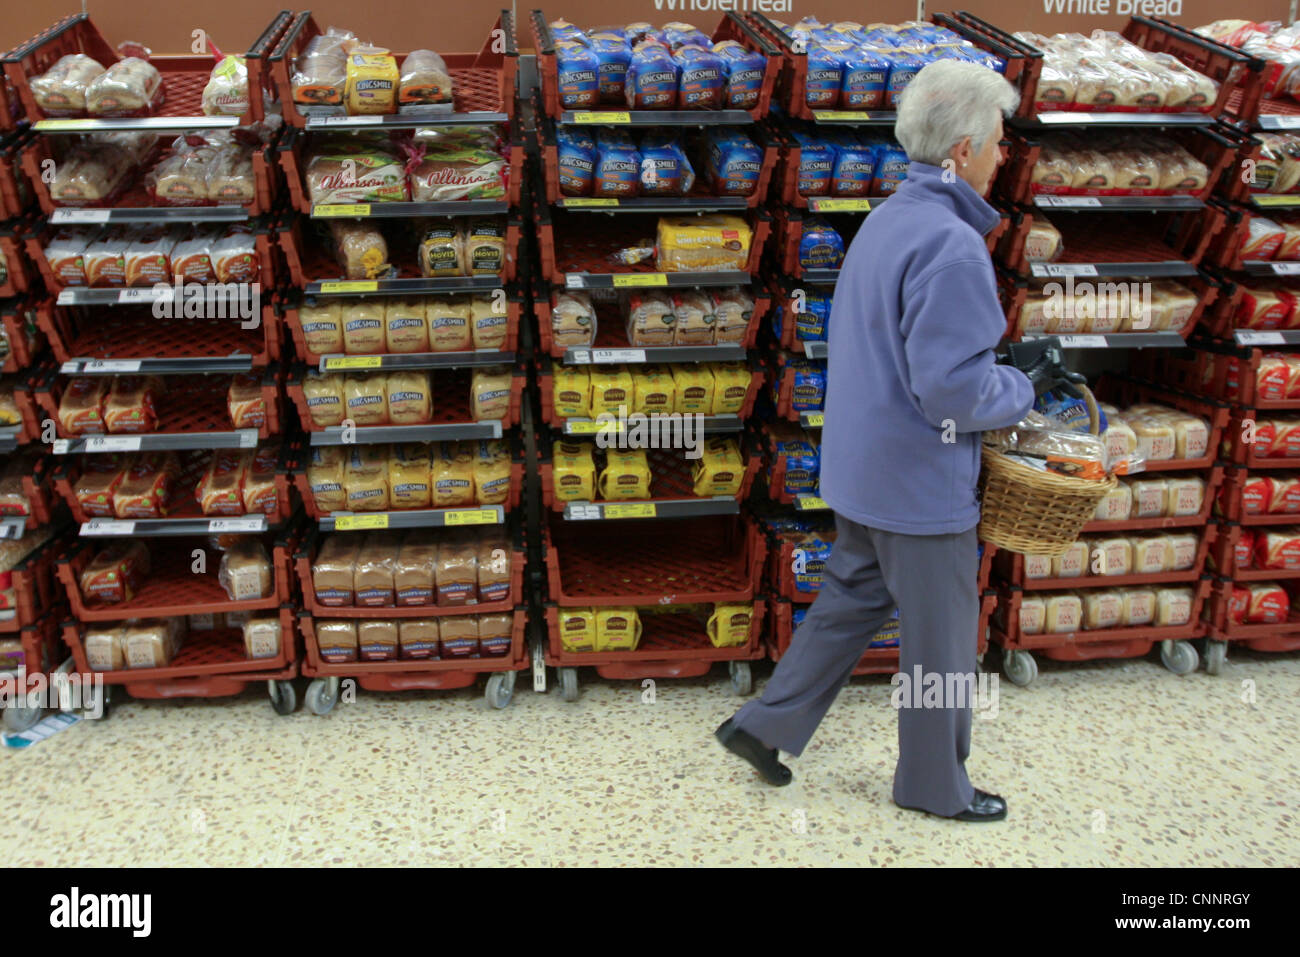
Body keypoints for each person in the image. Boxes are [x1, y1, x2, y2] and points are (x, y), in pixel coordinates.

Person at [716, 60, 1051, 822]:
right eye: (999, 141)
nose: (1005, 155)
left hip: (861, 468)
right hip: (920, 484)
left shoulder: (888, 218)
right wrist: (1021, 389)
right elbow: (952, 392)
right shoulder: (954, 245)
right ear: (964, 150)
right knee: (941, 642)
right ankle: (933, 784)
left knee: (849, 601)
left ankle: (763, 726)